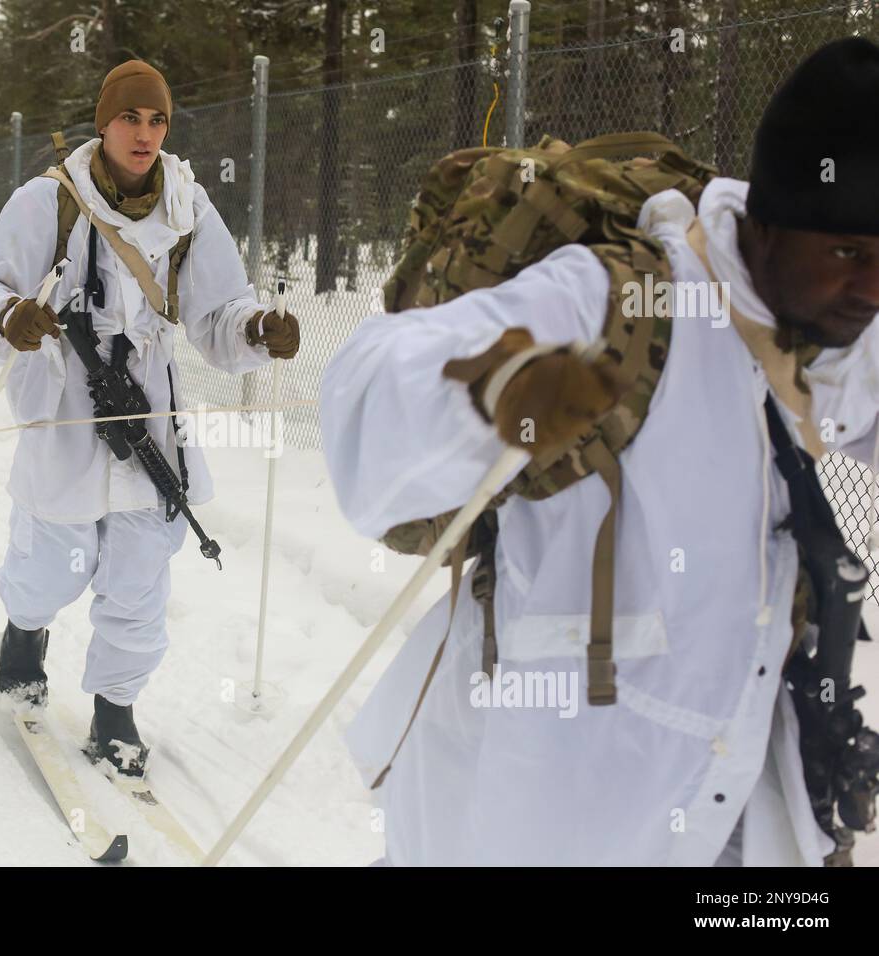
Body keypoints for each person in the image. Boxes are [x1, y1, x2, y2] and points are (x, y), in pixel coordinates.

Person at [320, 38, 879, 865]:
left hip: (732, 792)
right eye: (848, 253)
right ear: (767, 219)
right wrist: (496, 390)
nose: (873, 287)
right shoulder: (623, 298)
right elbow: (366, 395)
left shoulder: (837, 330)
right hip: (544, 795)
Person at [0, 59, 300, 776]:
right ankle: (25, 631)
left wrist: (257, 329)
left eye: (157, 120)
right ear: (103, 122)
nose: (144, 133)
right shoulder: (47, 201)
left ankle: (115, 708)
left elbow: (215, 312)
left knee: (142, 571)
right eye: (130, 118)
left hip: (147, 407)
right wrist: (11, 318)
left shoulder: (189, 208)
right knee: (55, 559)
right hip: (66, 401)